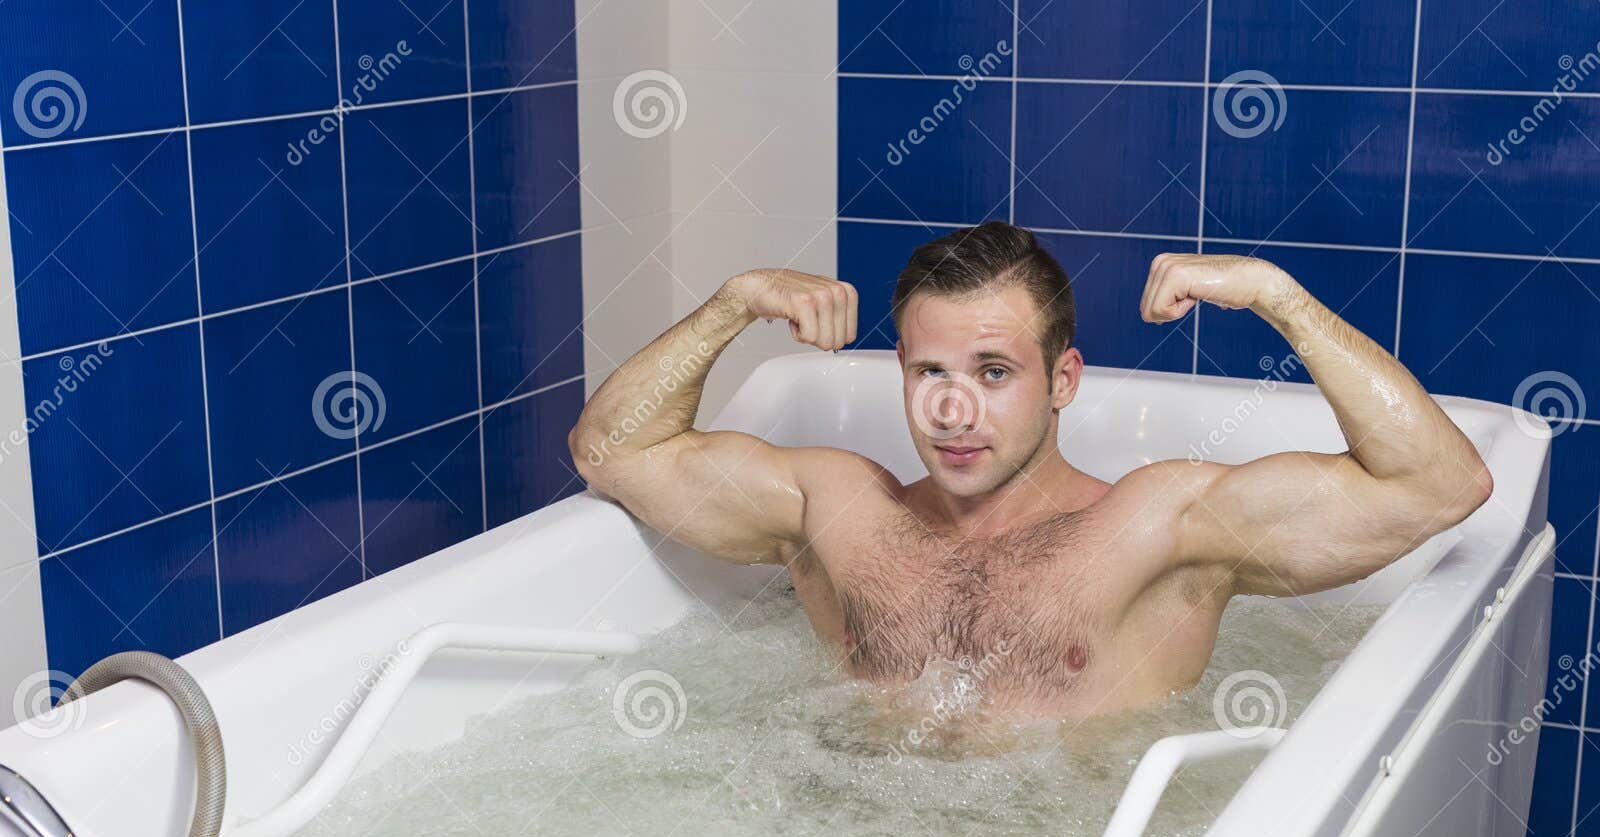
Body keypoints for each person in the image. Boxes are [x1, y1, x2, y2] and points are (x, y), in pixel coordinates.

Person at [569, 222, 1492, 717]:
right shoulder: (836, 510)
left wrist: (1279, 299)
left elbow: (1439, 487)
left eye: (994, 373)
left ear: (1064, 380)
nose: (953, 410)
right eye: (930, 371)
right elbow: (610, 451)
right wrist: (732, 305)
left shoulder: (1157, 527)